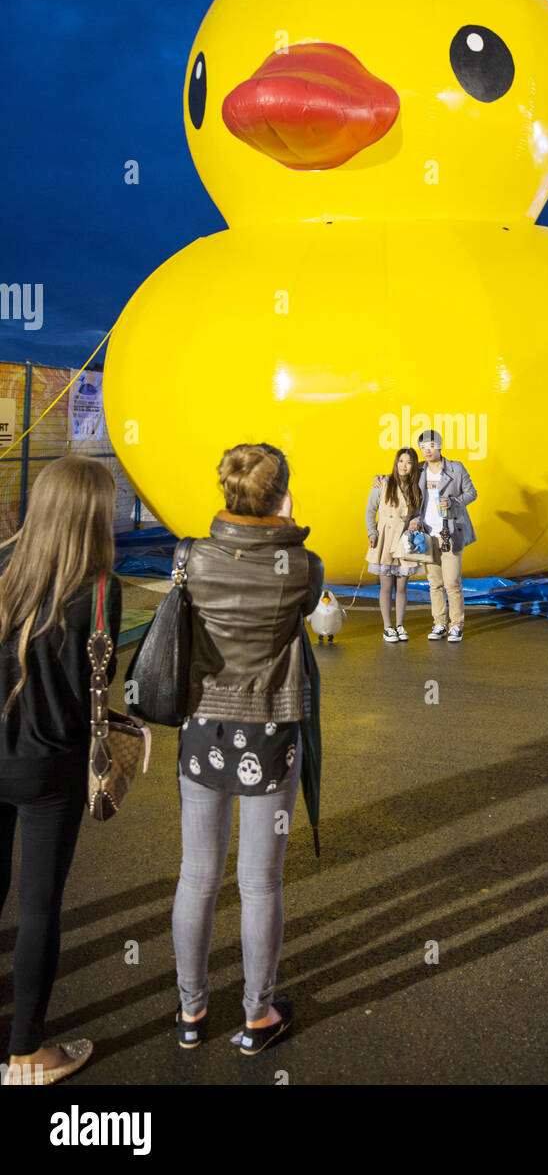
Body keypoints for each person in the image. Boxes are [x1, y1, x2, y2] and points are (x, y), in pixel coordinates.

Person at [172, 443, 323, 1056]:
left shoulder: (190, 557)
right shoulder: (304, 568)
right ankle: (256, 1017)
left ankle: (190, 1012)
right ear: (281, 494)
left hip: (203, 729)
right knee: (260, 884)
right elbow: (308, 608)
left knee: (197, 876)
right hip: (270, 727)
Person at [0, 456, 121, 1085]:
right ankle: (26, 1052)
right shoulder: (97, 588)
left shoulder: (3, 568)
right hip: (51, 768)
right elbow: (92, 687)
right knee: (39, 908)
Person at [407, 430, 477, 642]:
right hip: (428, 534)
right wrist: (378, 478)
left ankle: (456, 625)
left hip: (450, 533)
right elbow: (399, 481)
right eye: (423, 447)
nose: (427, 450)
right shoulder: (418, 470)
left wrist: (453, 501)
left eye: (431, 445)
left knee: (452, 582)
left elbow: (471, 493)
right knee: (434, 582)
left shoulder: (456, 468)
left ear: (439, 445)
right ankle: (439, 623)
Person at [365, 448, 424, 641]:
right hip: (384, 538)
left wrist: (416, 522)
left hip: (403, 539)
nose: (403, 466)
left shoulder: (416, 488)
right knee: (386, 585)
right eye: (400, 461)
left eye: (408, 462)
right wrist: (372, 532)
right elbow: (370, 511)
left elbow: (417, 514)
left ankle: (399, 625)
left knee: (401, 586)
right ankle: (387, 626)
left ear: (414, 465)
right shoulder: (383, 483)